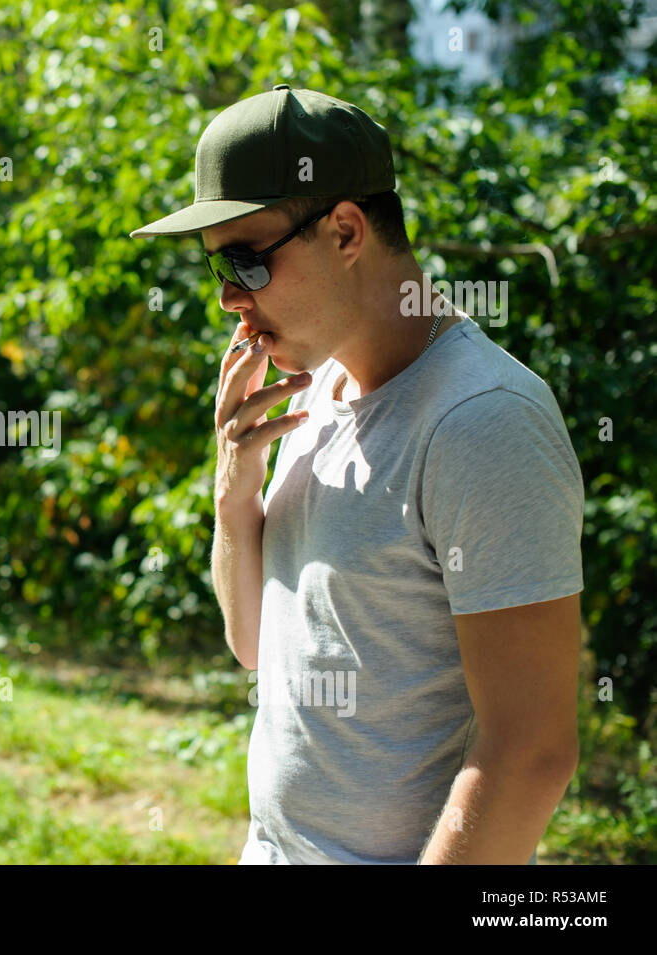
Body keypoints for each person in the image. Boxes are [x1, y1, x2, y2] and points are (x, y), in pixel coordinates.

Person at [130, 85, 584, 864]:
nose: (231, 300)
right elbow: (253, 642)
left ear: (345, 230)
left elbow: (533, 749)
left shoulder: (483, 421)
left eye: (247, 261)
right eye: (218, 271)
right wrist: (235, 491)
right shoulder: (318, 390)